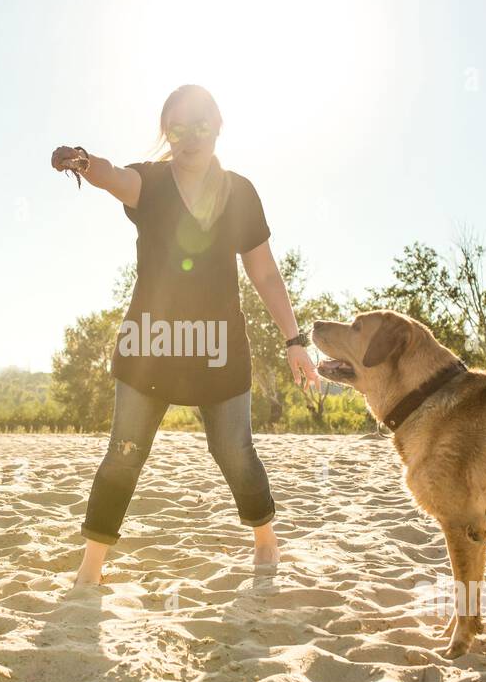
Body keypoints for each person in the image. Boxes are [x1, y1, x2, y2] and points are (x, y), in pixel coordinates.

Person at [52, 84, 319, 586]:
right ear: (166, 134)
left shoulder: (240, 192)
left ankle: (265, 538)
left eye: (200, 126)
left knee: (234, 451)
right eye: (177, 128)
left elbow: (264, 274)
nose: (190, 137)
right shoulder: (150, 183)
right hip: (149, 347)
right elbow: (115, 177)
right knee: (124, 452)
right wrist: (85, 162)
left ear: (218, 127)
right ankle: (91, 566)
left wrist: (294, 340)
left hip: (219, 347)